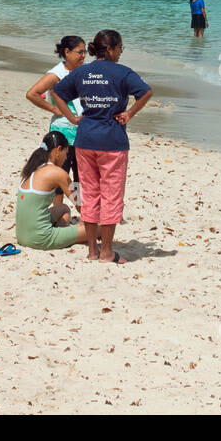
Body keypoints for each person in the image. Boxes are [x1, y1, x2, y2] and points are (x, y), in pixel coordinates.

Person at [51, 29, 152, 265]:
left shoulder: (82, 72)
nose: (120, 53)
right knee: (111, 196)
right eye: (120, 48)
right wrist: (129, 113)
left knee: (90, 195)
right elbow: (146, 92)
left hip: (85, 140)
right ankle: (106, 251)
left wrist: (73, 117)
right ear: (113, 49)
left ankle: (92, 251)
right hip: (112, 142)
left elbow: (57, 92)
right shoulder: (123, 72)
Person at [15, 131, 88, 252]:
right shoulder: (58, 173)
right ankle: (61, 236)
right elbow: (79, 204)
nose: (65, 158)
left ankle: (61, 232)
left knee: (64, 208)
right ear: (58, 150)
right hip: (39, 239)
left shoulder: (32, 168)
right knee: (98, 229)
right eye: (66, 153)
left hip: (22, 236)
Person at [25, 36, 87, 149]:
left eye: (85, 52)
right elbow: (32, 94)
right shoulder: (56, 74)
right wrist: (54, 110)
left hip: (83, 130)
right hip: (63, 129)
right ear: (67, 52)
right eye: (80, 52)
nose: (83, 56)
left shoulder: (85, 70)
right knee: (61, 166)